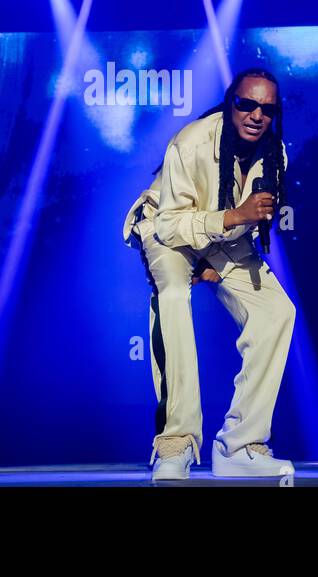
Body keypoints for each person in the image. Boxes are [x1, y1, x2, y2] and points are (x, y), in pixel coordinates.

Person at [121, 67, 296, 480]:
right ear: (230, 103)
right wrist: (230, 221)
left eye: (267, 109)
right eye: (247, 104)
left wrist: (218, 256)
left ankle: (239, 445)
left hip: (225, 239)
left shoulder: (275, 155)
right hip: (168, 229)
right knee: (174, 297)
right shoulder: (192, 141)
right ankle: (175, 443)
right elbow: (170, 224)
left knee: (276, 312)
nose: (257, 115)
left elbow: (252, 220)